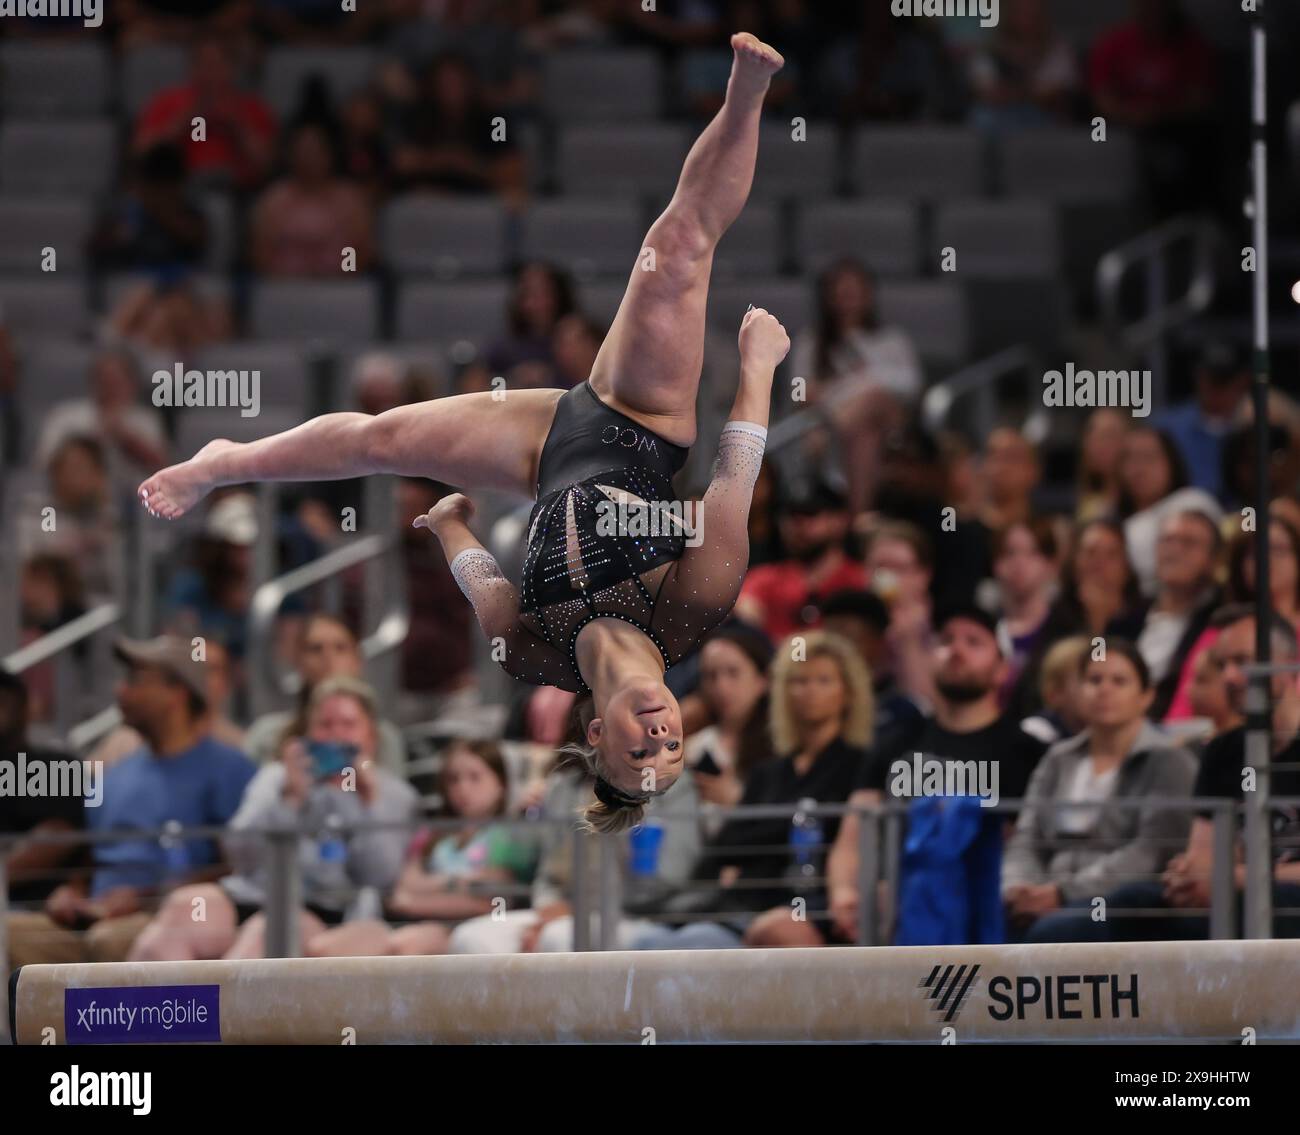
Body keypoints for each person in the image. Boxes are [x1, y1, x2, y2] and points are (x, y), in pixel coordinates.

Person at [139, 33, 791, 830]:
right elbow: (735, 474)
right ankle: (747, 97)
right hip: (641, 423)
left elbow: (481, 580)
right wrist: (759, 366)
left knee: (379, 441)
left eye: (637, 755)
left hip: (541, 453)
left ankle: (223, 463)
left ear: (595, 733)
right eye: (672, 752)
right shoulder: (696, 607)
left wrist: (449, 525)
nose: (658, 739)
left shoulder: (535, 654)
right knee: (676, 248)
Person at [1032, 605, 1300, 940]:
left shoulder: (1166, 760)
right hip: (1231, 904)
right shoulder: (1223, 751)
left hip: (1281, 905)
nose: (1229, 677)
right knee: (1130, 902)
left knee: (1278, 902)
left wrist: (1234, 877)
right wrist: (1191, 877)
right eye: (1222, 664)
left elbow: (1216, 873)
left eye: (1243, 662)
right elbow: (1204, 860)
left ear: (1289, 665)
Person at [5, 637, 255, 969]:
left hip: (168, 918)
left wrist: (145, 897)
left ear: (176, 694)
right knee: (7, 932)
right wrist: (71, 892)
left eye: (135, 681)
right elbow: (91, 858)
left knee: (110, 942)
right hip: (90, 919)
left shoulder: (232, 769)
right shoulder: (113, 774)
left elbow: (240, 867)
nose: (120, 691)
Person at [129, 677, 418, 961]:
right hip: (251, 896)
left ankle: (214, 1008)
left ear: (371, 736)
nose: (335, 736)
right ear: (308, 732)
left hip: (328, 913)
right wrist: (289, 800)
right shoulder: (275, 777)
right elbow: (239, 852)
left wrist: (368, 805)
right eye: (325, 725)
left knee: (267, 930)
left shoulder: (391, 794)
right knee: (184, 908)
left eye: (348, 725)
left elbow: (380, 877)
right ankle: (145, 1008)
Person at [825, 606, 1050, 943]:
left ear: (1002, 669)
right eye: (946, 641)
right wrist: (845, 894)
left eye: (974, 642)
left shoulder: (1027, 752)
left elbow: (1033, 845)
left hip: (988, 914)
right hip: (895, 915)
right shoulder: (896, 742)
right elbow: (853, 836)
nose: (956, 650)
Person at [634, 630, 871, 949]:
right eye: (799, 681)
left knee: (692, 944)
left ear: (848, 692)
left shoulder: (860, 767)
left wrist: (758, 834)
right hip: (736, 905)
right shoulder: (770, 772)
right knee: (646, 942)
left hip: (803, 909)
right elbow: (724, 849)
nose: (809, 691)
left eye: (823, 681)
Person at [1004, 641, 1196, 942]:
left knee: (1054, 932)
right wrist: (1020, 888)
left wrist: (1063, 894)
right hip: (1046, 893)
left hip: (1121, 901)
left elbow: (1151, 852)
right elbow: (1026, 838)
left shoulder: (1169, 760)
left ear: (1146, 696)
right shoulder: (1057, 759)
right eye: (1094, 680)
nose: (1104, 689)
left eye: (1119, 681)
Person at [1106, 509, 1223, 721]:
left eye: (1189, 542)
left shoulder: (1219, 622)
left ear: (1213, 559)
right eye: (1167, 540)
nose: (1175, 550)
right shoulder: (1125, 620)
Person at [733, 475, 867, 641]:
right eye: (790, 514)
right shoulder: (764, 579)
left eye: (809, 513)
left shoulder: (859, 580)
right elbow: (745, 608)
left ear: (839, 520)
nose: (797, 523)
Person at [1116, 425, 1222, 596]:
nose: (1139, 468)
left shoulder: (1193, 501)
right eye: (1130, 459)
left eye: (1149, 457)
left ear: (1171, 461)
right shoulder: (1114, 520)